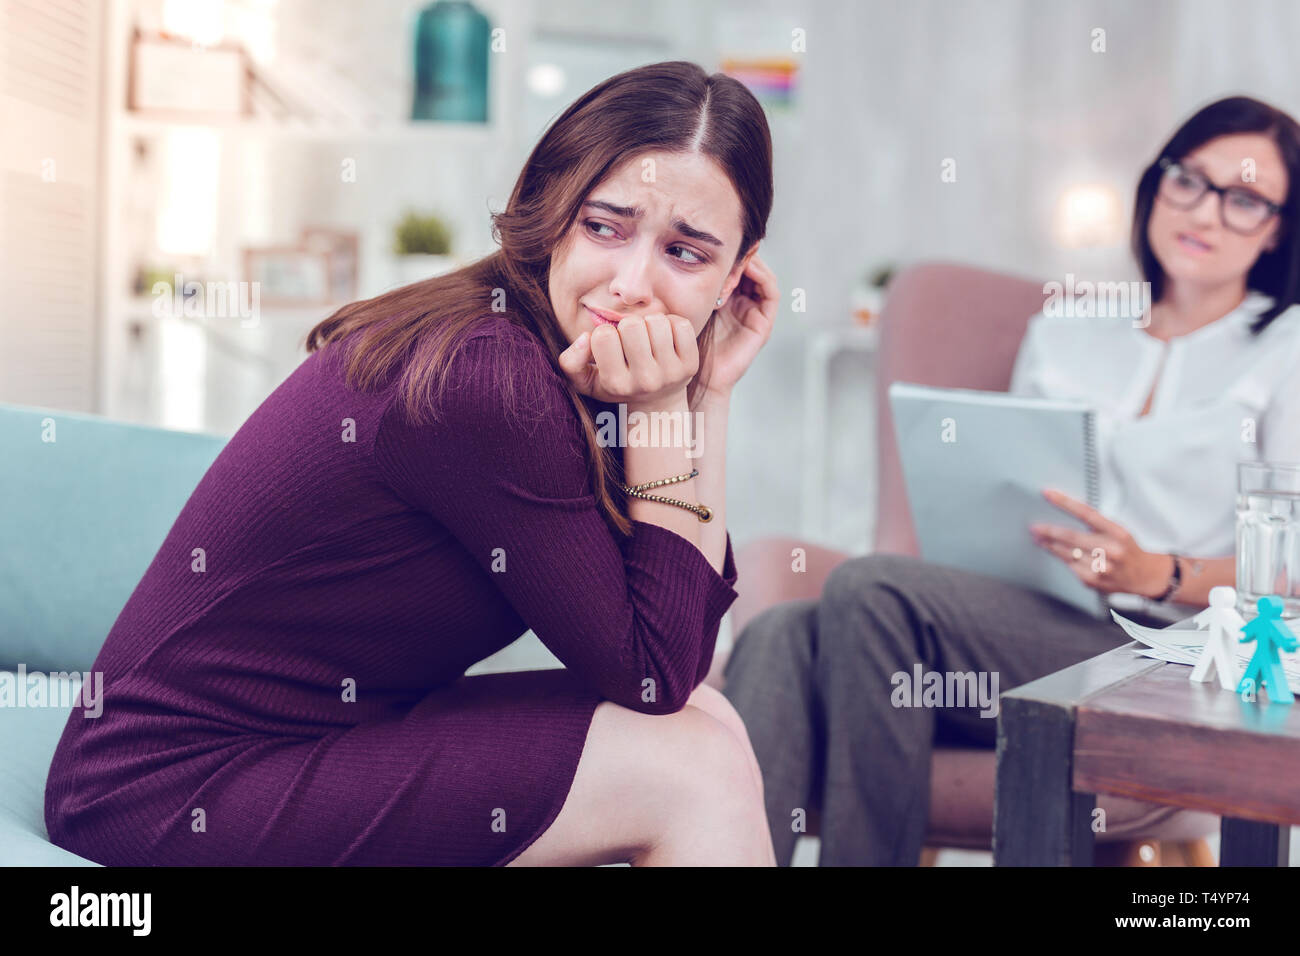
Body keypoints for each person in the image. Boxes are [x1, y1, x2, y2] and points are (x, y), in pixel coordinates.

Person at [44, 60, 780, 867]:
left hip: (324, 733)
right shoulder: (491, 378)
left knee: (715, 723)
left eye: (685, 253)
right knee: (691, 770)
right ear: (553, 210)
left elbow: (679, 645)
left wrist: (705, 395)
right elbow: (653, 672)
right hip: (163, 790)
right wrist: (667, 408)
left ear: (735, 276)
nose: (631, 283)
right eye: (604, 227)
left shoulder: (570, 357)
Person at [722, 94, 1300, 866]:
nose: (1205, 211)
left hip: (1163, 648)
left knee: (868, 589)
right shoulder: (1064, 332)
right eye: (1189, 180)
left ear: (1277, 228)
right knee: (779, 633)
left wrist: (1156, 573)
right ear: (1156, 185)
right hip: (1026, 617)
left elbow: (1288, 566)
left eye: (1244, 198)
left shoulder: (1285, 350)